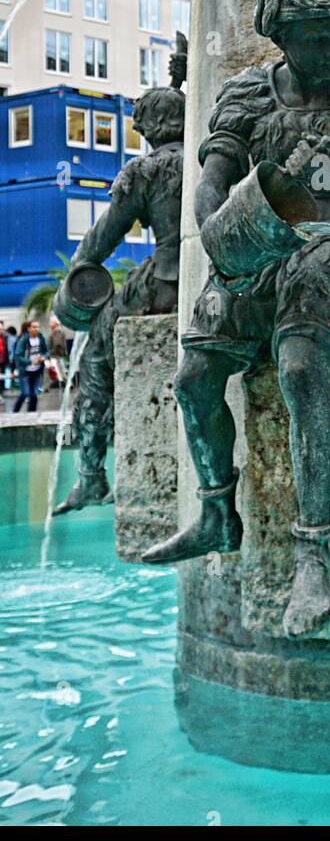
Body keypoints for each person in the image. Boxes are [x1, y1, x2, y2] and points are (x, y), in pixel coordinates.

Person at [142, 0, 330, 640]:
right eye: (314, 39)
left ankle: (312, 555)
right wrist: (217, 234)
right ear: (282, 40)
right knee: (195, 376)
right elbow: (211, 181)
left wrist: (329, 171)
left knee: (300, 368)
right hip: (260, 245)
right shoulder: (246, 96)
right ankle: (215, 512)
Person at [53, 63, 186, 514]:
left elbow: (104, 237)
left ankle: (91, 475)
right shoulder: (211, 157)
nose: (136, 130)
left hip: (164, 283)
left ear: (151, 127)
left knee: (93, 355)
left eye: (140, 124)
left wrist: (79, 269)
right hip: (215, 276)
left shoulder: (144, 171)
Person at [12, 319, 50, 413]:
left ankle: (31, 414)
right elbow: (17, 356)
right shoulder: (23, 340)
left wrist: (43, 357)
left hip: (37, 371)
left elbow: (47, 351)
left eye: (38, 327)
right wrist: (30, 361)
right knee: (25, 393)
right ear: (29, 328)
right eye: (34, 327)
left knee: (34, 395)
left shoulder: (41, 338)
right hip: (25, 371)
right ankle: (15, 412)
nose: (37, 329)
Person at [48, 316, 69, 387]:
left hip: (56, 354)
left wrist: (51, 352)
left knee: (59, 370)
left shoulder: (57, 332)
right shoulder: (57, 331)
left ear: (55, 324)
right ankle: (68, 383)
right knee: (60, 370)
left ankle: (68, 383)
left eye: (51, 323)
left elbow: (57, 344)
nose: (50, 324)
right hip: (57, 354)